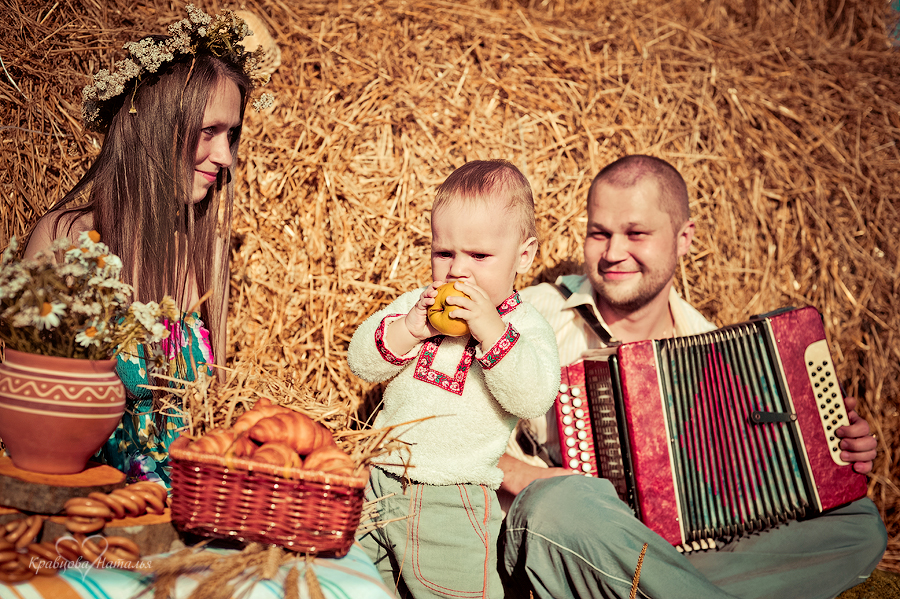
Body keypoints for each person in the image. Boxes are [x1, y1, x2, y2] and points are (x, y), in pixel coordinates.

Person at [499, 154, 887, 599]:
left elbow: (754, 488)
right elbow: (423, 430)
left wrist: (827, 449)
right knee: (561, 504)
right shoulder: (528, 317)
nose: (612, 253)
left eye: (636, 233)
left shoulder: (716, 350)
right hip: (556, 538)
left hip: (674, 554)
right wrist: (528, 478)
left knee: (858, 525)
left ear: (684, 239)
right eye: (599, 233)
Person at [22, 6, 272, 486]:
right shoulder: (66, 241)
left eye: (232, 135)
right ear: (157, 127)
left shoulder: (210, 252)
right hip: (86, 501)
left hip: (187, 506)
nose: (224, 157)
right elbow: (26, 407)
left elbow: (212, 412)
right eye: (209, 132)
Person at [348, 160, 560, 599]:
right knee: (359, 589)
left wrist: (492, 332)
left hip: (452, 499)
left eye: (479, 256)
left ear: (524, 255)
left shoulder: (523, 326)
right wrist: (408, 328)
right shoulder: (419, 305)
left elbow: (535, 397)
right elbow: (361, 360)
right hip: (378, 483)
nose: (457, 270)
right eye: (444, 253)